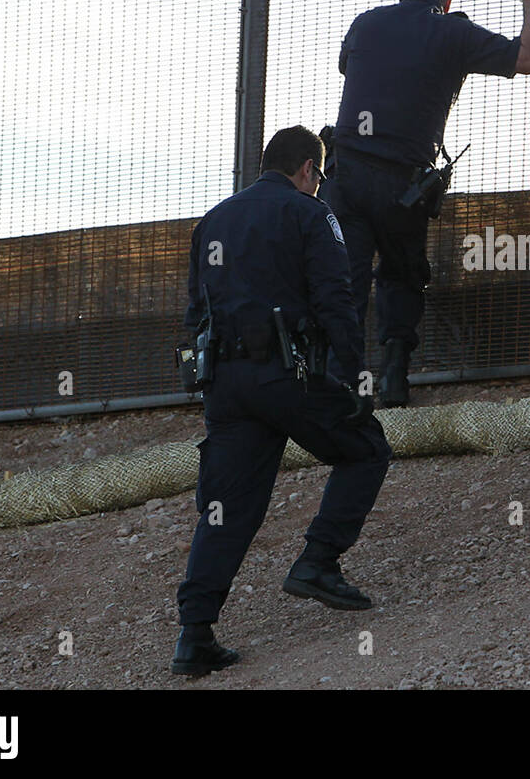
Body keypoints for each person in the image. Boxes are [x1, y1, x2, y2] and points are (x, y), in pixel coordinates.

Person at [171, 126, 393, 677]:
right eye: (320, 175)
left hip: (226, 384)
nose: (320, 184)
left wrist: (207, 381)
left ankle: (193, 636)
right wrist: (356, 378)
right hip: (285, 375)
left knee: (228, 506)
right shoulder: (311, 215)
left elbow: (195, 316)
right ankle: (318, 562)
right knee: (365, 449)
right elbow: (336, 300)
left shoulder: (214, 221)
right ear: (307, 170)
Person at [325, 0, 530, 407]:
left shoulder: (365, 23)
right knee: (401, 274)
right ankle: (393, 381)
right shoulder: (453, 32)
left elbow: (349, 68)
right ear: (446, 1)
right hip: (401, 184)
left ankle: (340, 387)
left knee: (343, 281)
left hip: (346, 175)